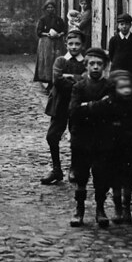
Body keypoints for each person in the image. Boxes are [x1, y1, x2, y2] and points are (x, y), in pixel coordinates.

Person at [67, 47, 113, 228]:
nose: (95, 67)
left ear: (105, 66)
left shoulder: (110, 86)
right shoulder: (79, 86)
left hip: (103, 138)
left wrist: (87, 107)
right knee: (81, 176)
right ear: (86, 65)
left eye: (99, 64)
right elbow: (73, 111)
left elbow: (113, 110)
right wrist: (98, 105)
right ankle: (79, 210)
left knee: (101, 176)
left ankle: (100, 210)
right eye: (92, 64)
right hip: (82, 139)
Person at [90, 69, 132, 225]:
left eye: (129, 87)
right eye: (122, 87)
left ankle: (126, 208)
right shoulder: (107, 103)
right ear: (113, 88)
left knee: (128, 180)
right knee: (112, 181)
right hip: (110, 149)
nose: (126, 90)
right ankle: (111, 209)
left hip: (128, 149)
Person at [40, 29, 87, 185]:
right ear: (66, 43)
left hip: (77, 105)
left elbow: (85, 82)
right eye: (71, 44)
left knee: (77, 137)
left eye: (77, 44)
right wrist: (75, 80)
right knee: (52, 136)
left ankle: (74, 168)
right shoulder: (60, 60)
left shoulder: (85, 62)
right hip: (60, 103)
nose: (74, 47)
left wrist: (69, 77)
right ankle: (56, 169)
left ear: (82, 45)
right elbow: (57, 80)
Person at [34, 0, 66, 84]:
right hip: (46, 43)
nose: (50, 9)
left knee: (56, 60)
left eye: (52, 7)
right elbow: (39, 32)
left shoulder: (59, 19)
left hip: (57, 43)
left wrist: (60, 34)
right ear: (45, 9)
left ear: (54, 8)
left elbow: (64, 30)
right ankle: (47, 80)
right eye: (48, 7)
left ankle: (55, 80)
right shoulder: (42, 19)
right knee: (47, 61)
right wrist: (47, 34)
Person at [107, 13, 132, 82]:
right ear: (118, 26)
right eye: (122, 24)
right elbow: (111, 56)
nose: (124, 26)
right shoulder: (113, 40)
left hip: (130, 72)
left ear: (130, 25)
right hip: (116, 71)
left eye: (126, 24)